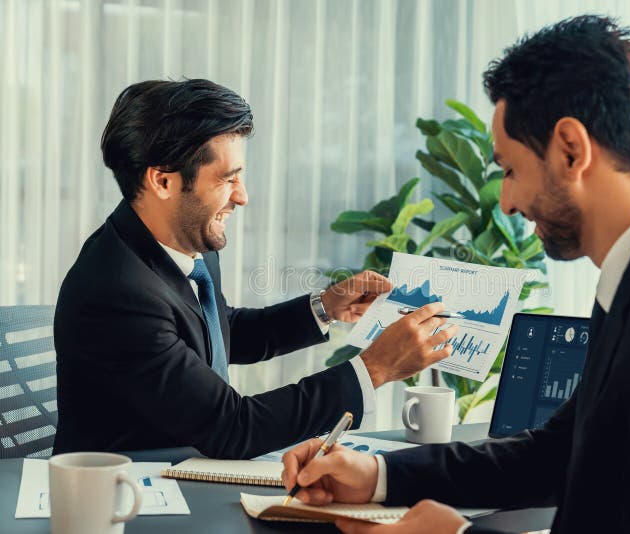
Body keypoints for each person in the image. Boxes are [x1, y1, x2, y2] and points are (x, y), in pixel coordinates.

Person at [280, 15, 630, 534]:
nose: (506, 202)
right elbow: (559, 454)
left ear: (571, 150)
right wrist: (377, 475)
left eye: (509, 170)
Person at [53, 79, 458, 459]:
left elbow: (214, 331)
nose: (242, 197)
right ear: (163, 181)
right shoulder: (116, 291)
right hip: (134, 498)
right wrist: (375, 368)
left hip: (189, 472)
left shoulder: (184, 241)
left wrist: (325, 308)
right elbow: (231, 427)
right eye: (228, 179)